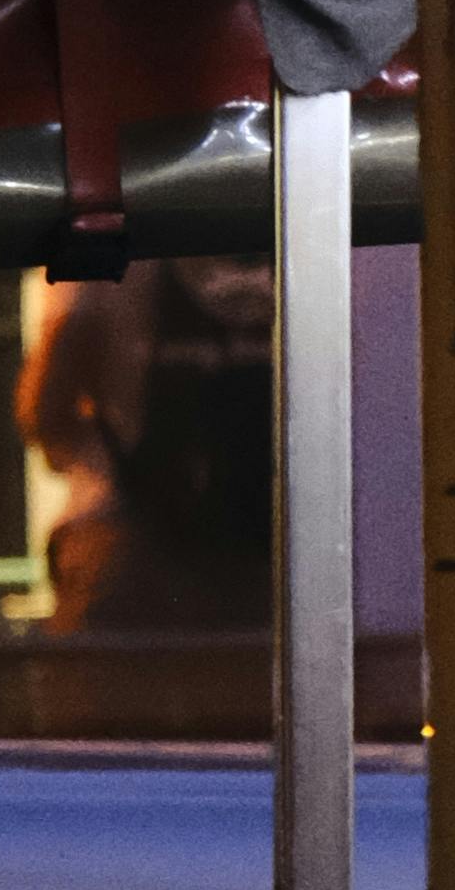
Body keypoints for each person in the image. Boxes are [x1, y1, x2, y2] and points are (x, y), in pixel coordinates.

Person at [21, 259, 276, 631]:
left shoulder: (106, 247)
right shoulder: (307, 240)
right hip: (267, 546)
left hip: (125, 537)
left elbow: (44, 407)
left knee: (112, 672)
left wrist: (84, 456)